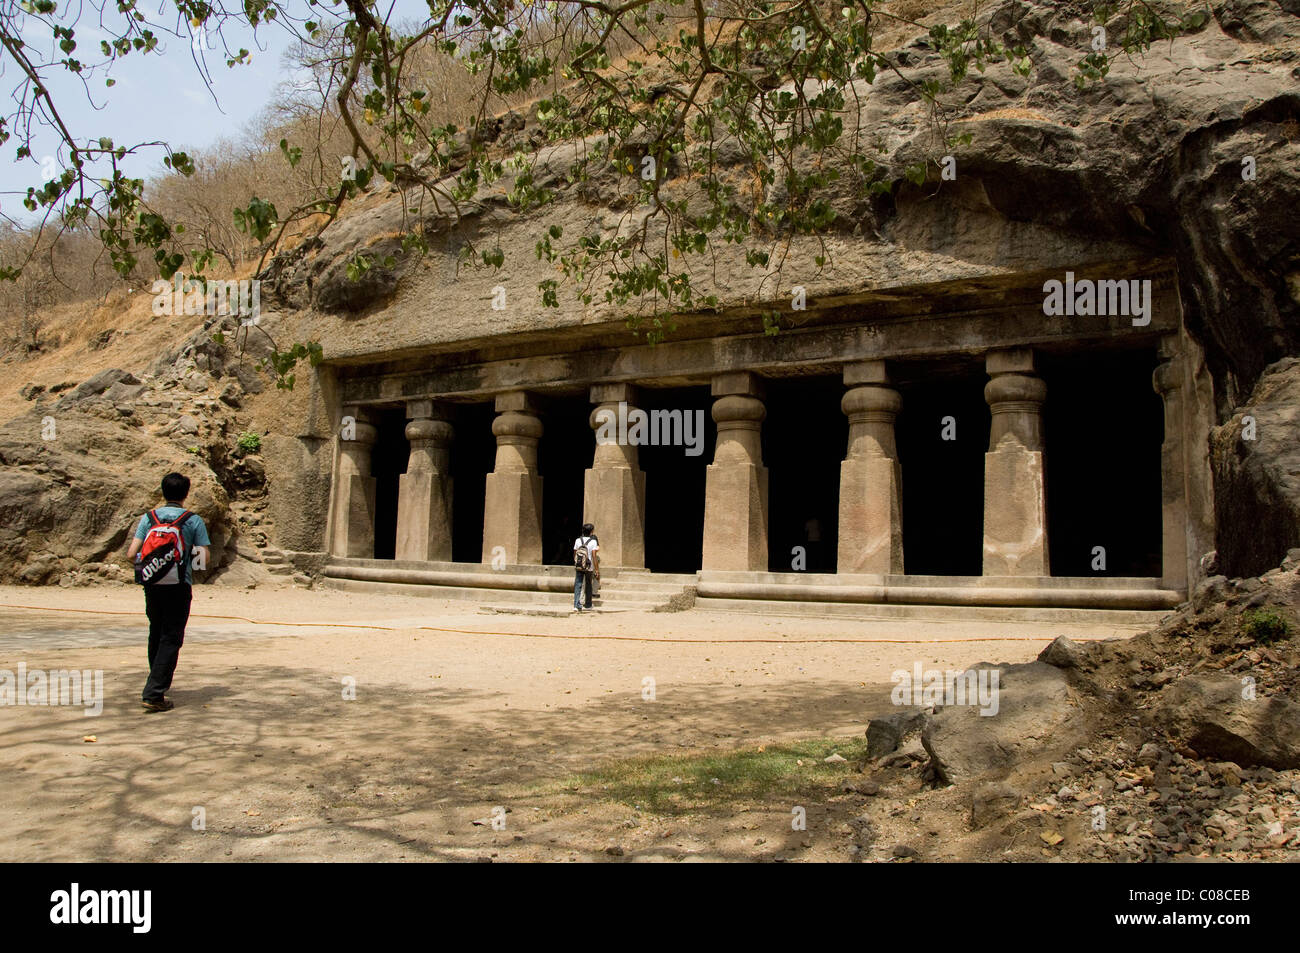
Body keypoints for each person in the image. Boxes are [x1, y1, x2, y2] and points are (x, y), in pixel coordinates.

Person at [126, 472, 211, 712]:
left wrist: (153, 566)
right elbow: (202, 558)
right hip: (178, 585)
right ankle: (154, 693)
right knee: (172, 636)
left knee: (157, 631)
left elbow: (132, 554)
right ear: (186, 493)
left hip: (152, 585)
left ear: (163, 491)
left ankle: (156, 680)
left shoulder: (149, 518)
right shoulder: (192, 520)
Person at [573, 522, 599, 612]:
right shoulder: (593, 542)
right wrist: (596, 569)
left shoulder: (577, 540)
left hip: (579, 565)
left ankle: (576, 605)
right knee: (588, 585)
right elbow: (594, 556)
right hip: (589, 566)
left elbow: (575, 553)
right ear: (591, 532)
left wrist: (577, 563)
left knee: (578, 584)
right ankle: (588, 604)